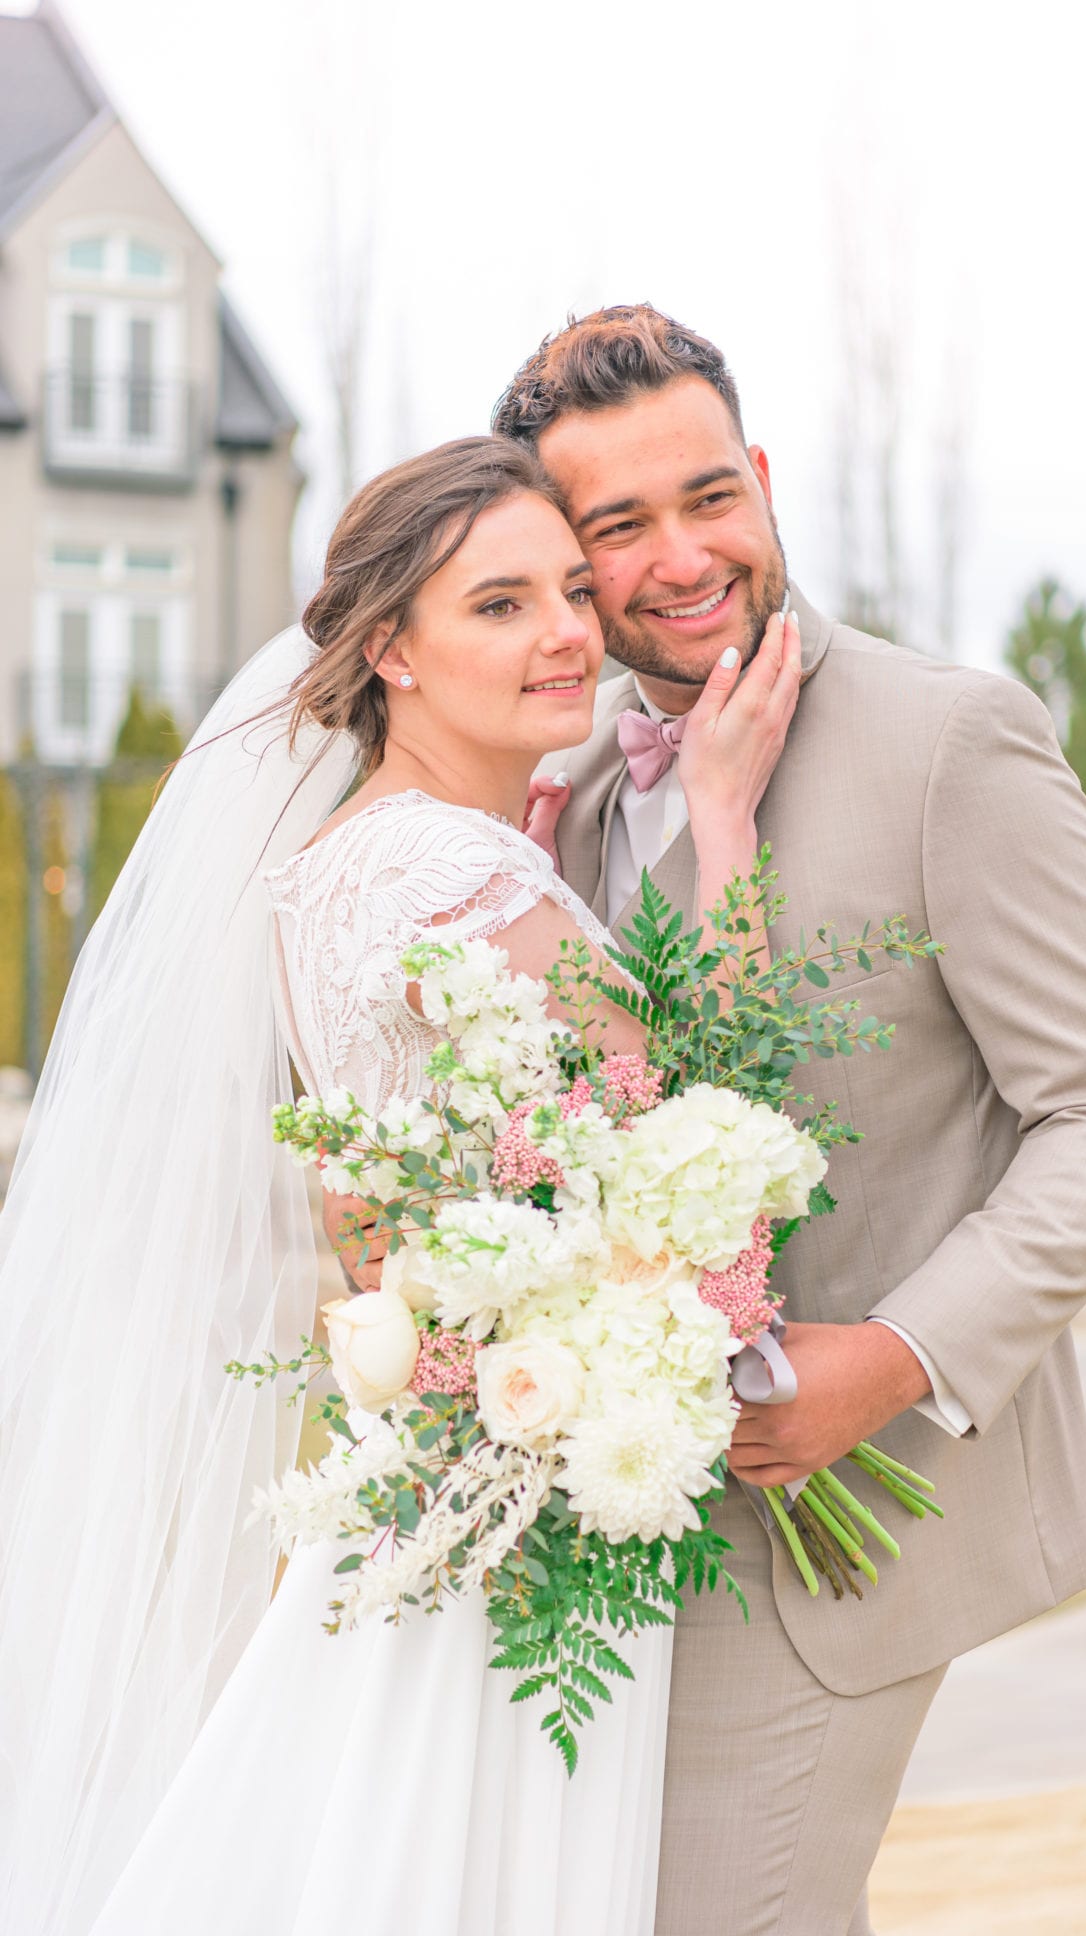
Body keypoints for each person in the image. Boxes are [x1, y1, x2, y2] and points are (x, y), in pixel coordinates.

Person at [0, 433, 801, 1935]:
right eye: (500, 607)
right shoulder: (449, 874)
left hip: (444, 1481)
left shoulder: (350, 860)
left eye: (574, 590)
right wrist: (731, 816)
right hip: (525, 1513)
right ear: (394, 651)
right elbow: (712, 1129)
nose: (568, 633)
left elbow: (373, 1211)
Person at [479, 304, 1086, 1936]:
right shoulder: (570, 773)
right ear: (567, 558)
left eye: (710, 495)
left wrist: (889, 1362)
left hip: (838, 1534)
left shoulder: (952, 739)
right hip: (611, 1530)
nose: (682, 554)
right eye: (619, 525)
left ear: (765, 476)